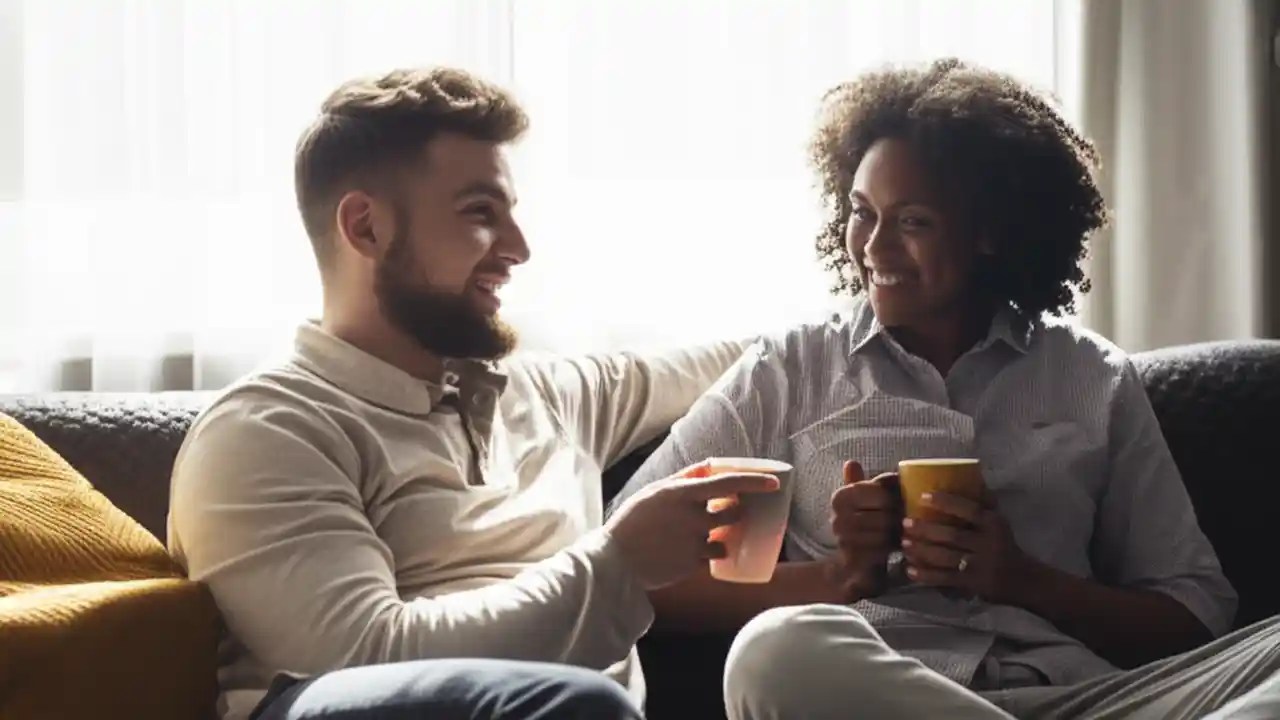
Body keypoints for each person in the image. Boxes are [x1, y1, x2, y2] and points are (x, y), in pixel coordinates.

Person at [611, 58, 1280, 719]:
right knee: (773, 650)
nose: (873, 247)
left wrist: (1023, 579)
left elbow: (1196, 613)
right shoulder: (790, 368)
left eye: (912, 222)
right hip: (874, 692)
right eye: (861, 212)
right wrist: (836, 578)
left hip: (1081, 698)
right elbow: (624, 570)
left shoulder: (1093, 376)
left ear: (989, 231)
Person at [166, 67, 772, 720]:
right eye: (481, 213)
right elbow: (359, 655)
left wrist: (882, 295)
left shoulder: (547, 394)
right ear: (367, 228)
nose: (518, 248)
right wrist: (620, 564)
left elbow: (756, 359)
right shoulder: (269, 429)